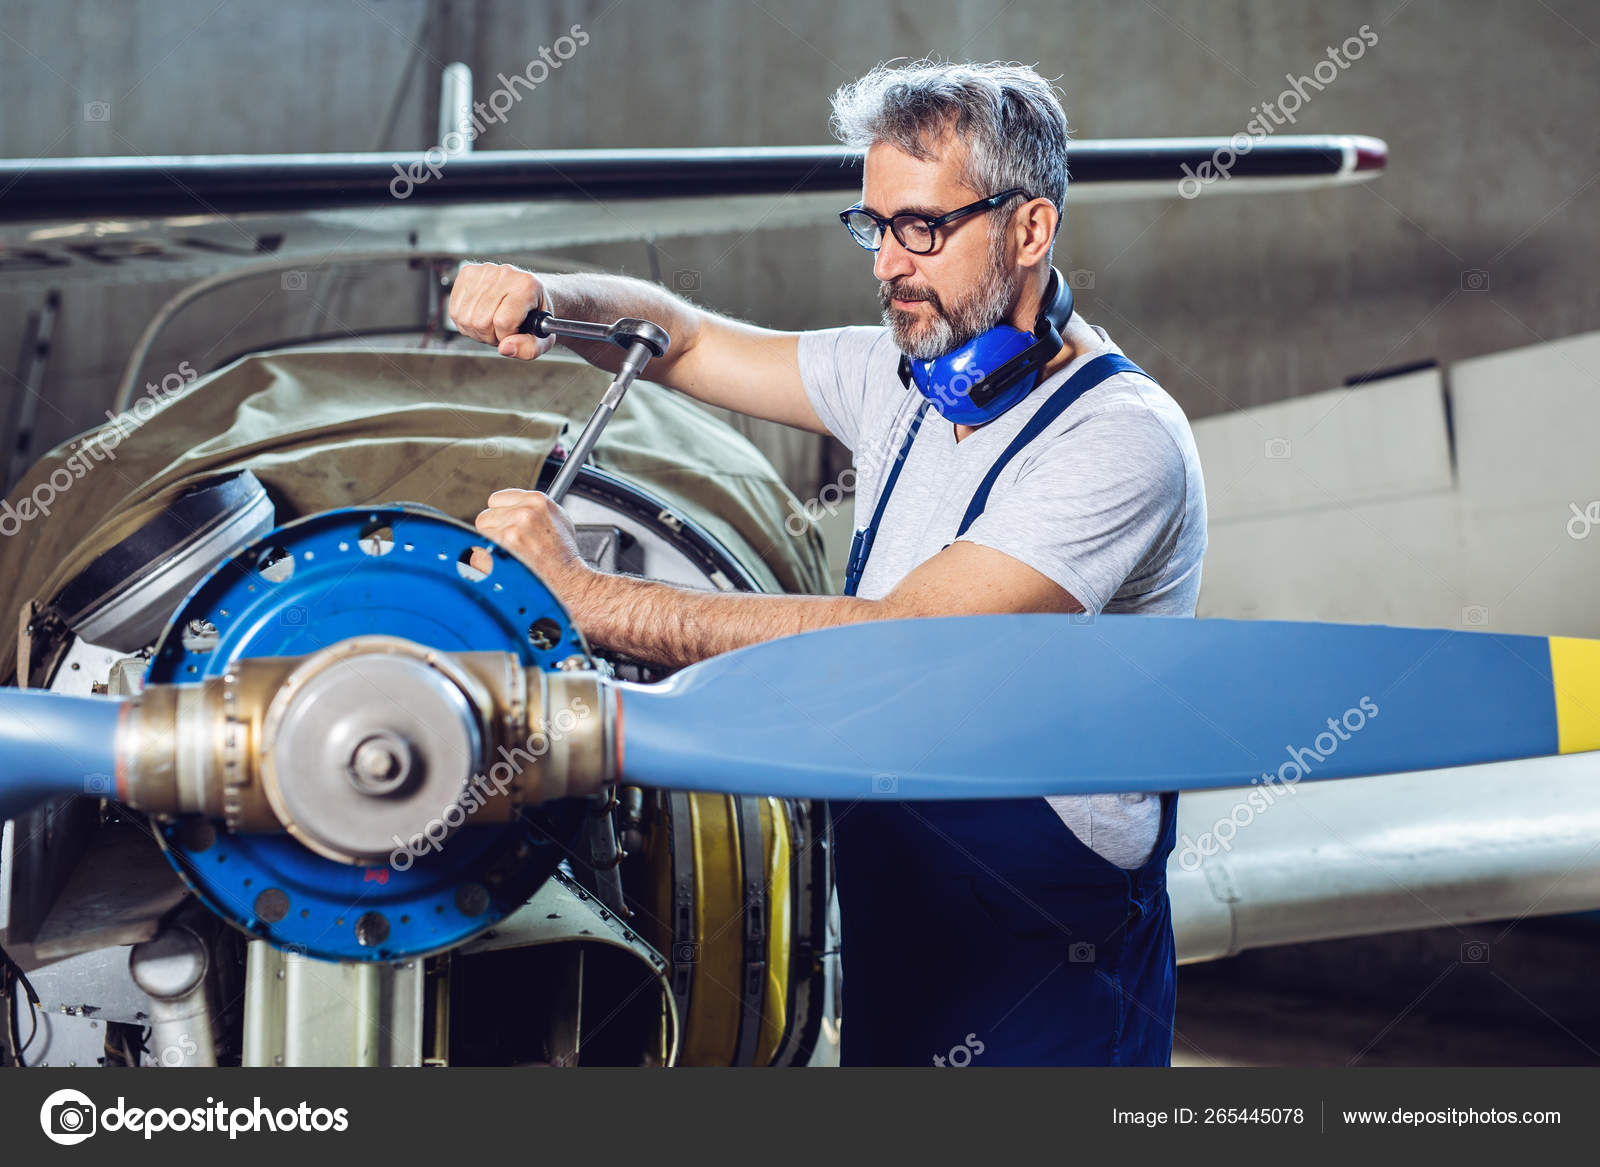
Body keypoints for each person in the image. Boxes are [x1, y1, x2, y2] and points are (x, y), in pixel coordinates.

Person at [448, 58, 1206, 1066]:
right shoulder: (902, 376)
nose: (889, 264)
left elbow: (911, 642)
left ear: (1030, 230)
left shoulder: (1117, 441)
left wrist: (587, 598)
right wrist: (549, 295)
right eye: (875, 226)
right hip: (901, 895)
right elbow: (675, 341)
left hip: (1047, 949)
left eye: (922, 228)